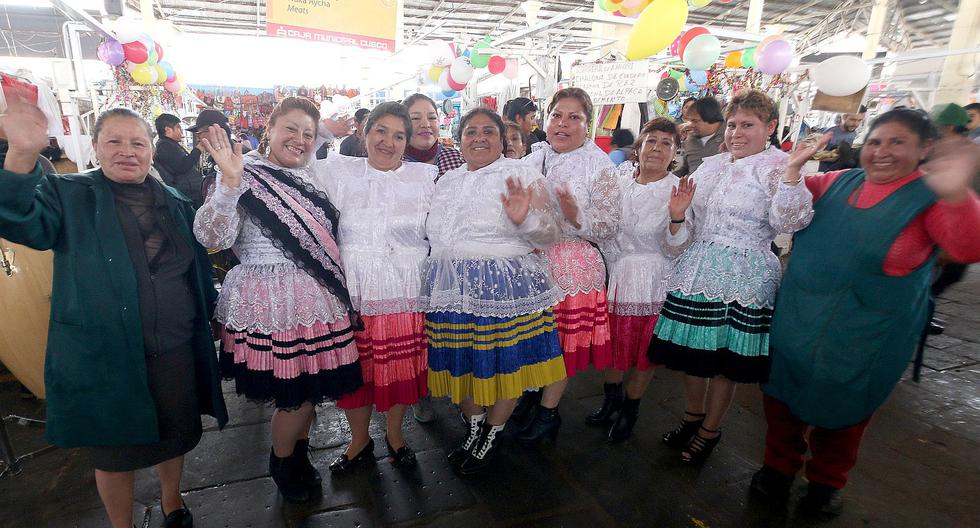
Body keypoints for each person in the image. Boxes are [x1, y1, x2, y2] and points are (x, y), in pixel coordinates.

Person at [0, 103, 227, 528]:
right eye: (115, 142)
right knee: (113, 450)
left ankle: (172, 501)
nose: (128, 151)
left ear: (151, 151)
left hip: (174, 346)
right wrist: (22, 154)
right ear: (95, 148)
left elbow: (195, 270)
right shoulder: (69, 193)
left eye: (138, 142)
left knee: (175, 433)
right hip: (104, 354)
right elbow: (18, 220)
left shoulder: (175, 201)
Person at [752, 108, 980, 517]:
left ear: (925, 149)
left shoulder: (930, 197)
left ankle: (825, 484)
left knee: (845, 415)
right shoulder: (837, 182)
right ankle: (777, 470)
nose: (882, 152)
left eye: (898, 142)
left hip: (867, 334)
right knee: (782, 402)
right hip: (800, 318)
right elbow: (781, 200)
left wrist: (957, 194)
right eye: (875, 142)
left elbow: (967, 248)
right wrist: (788, 168)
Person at [193, 97, 363, 503]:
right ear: (269, 129)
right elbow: (212, 238)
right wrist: (230, 184)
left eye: (307, 133)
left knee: (308, 396)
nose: (299, 139)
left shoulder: (315, 178)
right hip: (270, 305)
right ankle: (282, 461)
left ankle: (297, 456)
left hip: (318, 304)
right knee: (295, 397)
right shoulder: (243, 171)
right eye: (290, 128)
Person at [649, 90, 815, 464]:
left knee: (725, 360)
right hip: (697, 269)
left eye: (748, 125)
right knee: (692, 353)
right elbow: (685, 228)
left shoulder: (779, 166)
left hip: (745, 275)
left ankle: (711, 429)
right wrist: (677, 216)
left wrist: (791, 174)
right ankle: (693, 417)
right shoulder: (711, 165)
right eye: (733, 125)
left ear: (770, 127)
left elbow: (790, 223)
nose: (737, 133)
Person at [422, 108, 565, 475]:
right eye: (471, 131)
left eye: (489, 131)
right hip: (452, 290)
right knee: (464, 363)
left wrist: (525, 220)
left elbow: (549, 235)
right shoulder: (447, 180)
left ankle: (492, 432)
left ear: (503, 139)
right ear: (460, 138)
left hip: (504, 288)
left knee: (506, 366)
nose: (480, 137)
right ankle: (473, 428)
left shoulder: (521, 174)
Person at [311, 102, 436, 474]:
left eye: (399, 135)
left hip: (405, 291)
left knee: (398, 369)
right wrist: (322, 130)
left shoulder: (425, 178)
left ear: (408, 142)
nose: (388, 142)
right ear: (365, 133)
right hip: (354, 292)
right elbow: (295, 161)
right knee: (355, 373)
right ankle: (359, 440)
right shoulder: (338, 171)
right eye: (381, 131)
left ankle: (396, 436)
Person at [517, 87, 621, 445]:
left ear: (587, 125)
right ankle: (531, 398)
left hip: (573, 264)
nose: (563, 124)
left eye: (573, 117)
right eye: (557, 115)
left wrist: (578, 217)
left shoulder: (600, 165)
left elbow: (609, 225)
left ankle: (549, 413)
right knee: (533, 339)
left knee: (557, 345)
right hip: (531, 264)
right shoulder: (532, 159)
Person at [589, 118, 682, 443]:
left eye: (666, 143)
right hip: (618, 275)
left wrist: (677, 216)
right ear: (638, 148)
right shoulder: (619, 182)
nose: (657, 149)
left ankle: (631, 408)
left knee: (645, 350)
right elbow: (604, 230)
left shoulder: (677, 189)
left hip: (656, 279)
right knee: (614, 344)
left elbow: (677, 247)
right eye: (651, 141)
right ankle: (610, 398)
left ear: (674, 153)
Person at [401, 93, 465, 181]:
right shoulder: (394, 164)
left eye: (432, 118)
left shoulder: (456, 159)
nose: (426, 125)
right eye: (415, 118)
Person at [154, 113, 205, 206]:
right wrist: (198, 149)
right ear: (168, 130)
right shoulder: (165, 146)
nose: (181, 131)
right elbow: (183, 166)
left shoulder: (169, 144)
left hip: (190, 190)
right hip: (188, 193)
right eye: (178, 127)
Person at [676, 97, 724, 177]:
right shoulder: (690, 140)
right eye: (690, 121)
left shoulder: (731, 137)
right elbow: (685, 168)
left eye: (695, 121)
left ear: (709, 117)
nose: (691, 125)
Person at [817, 105, 866, 172]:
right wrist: (834, 157)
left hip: (842, 175)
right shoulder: (829, 133)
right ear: (844, 117)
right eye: (852, 119)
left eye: (859, 120)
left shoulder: (854, 133)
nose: (856, 124)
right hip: (826, 173)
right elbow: (815, 156)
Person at [186, 109, 231, 180]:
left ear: (213, 130)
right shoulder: (217, 159)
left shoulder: (235, 160)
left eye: (199, 134)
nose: (198, 139)